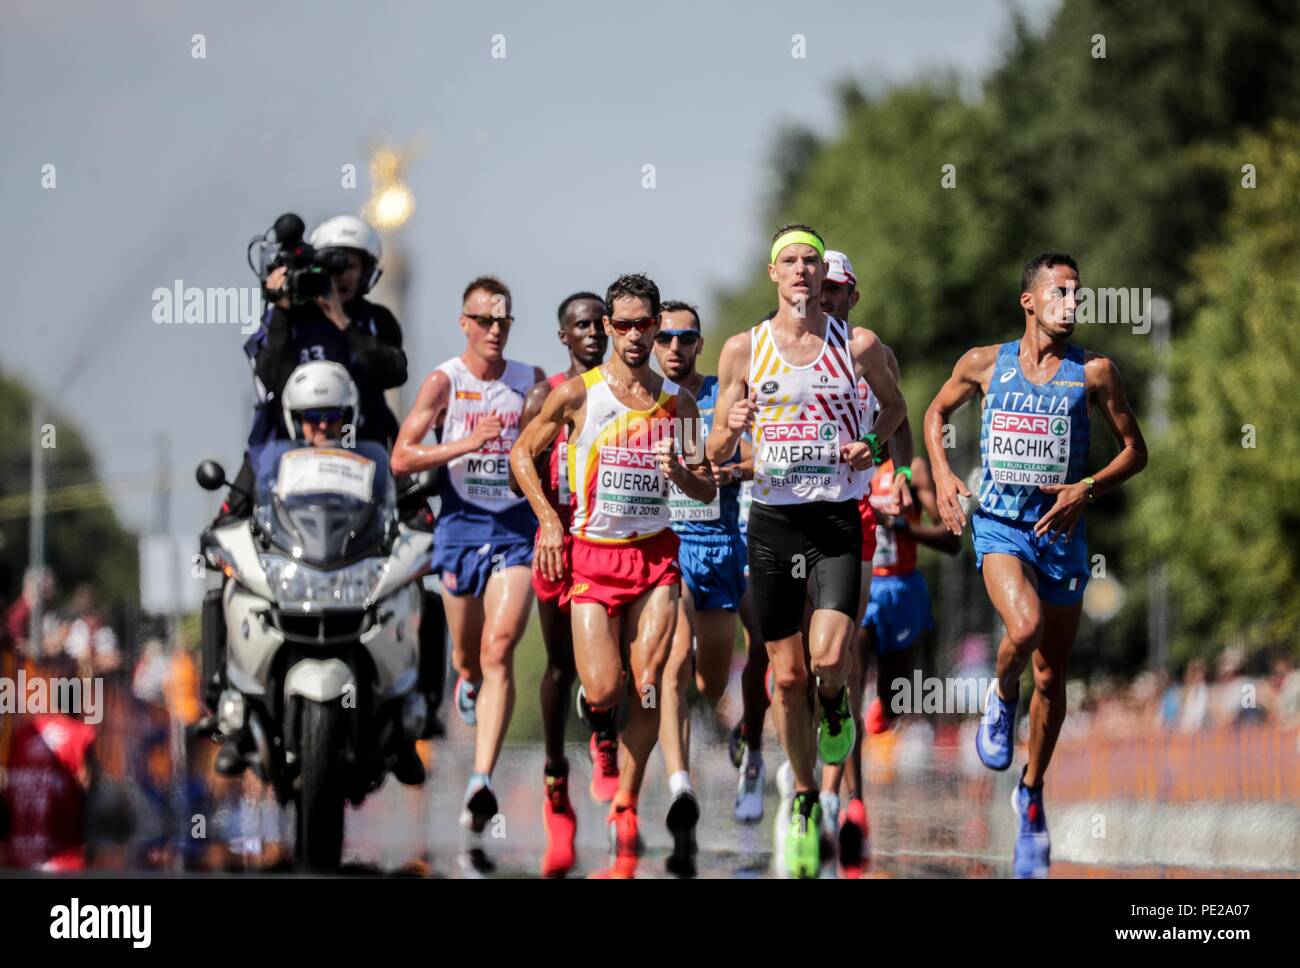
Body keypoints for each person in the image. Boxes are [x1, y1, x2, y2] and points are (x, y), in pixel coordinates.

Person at [923, 252, 1147, 877]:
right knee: (1021, 631)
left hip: (1062, 538)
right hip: (999, 527)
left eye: (1078, 293)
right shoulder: (983, 364)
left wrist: (1088, 488)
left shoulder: (1095, 373)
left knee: (1052, 676)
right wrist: (942, 475)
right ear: (1029, 301)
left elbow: (1136, 451)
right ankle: (999, 699)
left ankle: (1031, 793)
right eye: (1059, 291)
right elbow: (935, 412)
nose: (1071, 302)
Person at [708, 225, 906, 877]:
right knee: (784, 676)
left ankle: (836, 701)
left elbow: (895, 410)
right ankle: (799, 796)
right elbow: (714, 455)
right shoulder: (743, 349)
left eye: (810, 262)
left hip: (834, 523)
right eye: (789, 261)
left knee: (828, 660)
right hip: (772, 524)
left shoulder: (860, 346)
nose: (800, 271)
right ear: (774, 274)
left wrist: (872, 450)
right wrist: (730, 433)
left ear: (824, 276)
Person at [511, 273, 717, 868]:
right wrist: (550, 521)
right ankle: (598, 720)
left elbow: (704, 489)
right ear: (607, 327)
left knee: (648, 681)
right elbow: (524, 453)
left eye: (643, 325)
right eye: (620, 325)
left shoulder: (676, 403)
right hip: (592, 557)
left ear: (657, 328)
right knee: (603, 687)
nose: (632, 336)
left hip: (654, 556)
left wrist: (679, 474)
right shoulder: (580, 394)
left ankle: (625, 801)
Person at [391, 277, 544, 834]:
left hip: (514, 530)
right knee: (469, 655)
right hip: (458, 527)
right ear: (465, 323)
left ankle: (481, 780)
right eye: (484, 321)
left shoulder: (530, 382)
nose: (494, 331)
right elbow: (401, 458)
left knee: (500, 647)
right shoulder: (444, 382)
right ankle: (465, 677)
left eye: (503, 321)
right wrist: (464, 444)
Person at [811, 248, 916, 870]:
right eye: (817, 287)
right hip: (789, 514)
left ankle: (842, 797)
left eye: (836, 290)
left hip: (854, 513)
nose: (825, 297)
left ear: (852, 296)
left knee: (842, 660)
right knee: (797, 666)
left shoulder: (870, 353)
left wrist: (898, 469)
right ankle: (807, 784)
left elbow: (897, 417)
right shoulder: (782, 347)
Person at [652, 299, 752, 876]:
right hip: (665, 547)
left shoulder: (726, 394)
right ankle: (680, 788)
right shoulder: (644, 398)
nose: (673, 346)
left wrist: (730, 466)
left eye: (684, 337)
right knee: (669, 664)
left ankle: (732, 720)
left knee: (710, 677)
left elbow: (768, 459)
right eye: (664, 336)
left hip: (719, 546)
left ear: (700, 343)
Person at [511, 290, 609, 877]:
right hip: (560, 545)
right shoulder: (545, 396)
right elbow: (519, 463)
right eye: (581, 326)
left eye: (600, 323)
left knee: (619, 666)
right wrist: (548, 521)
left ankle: (603, 733)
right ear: (563, 336)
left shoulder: (625, 389)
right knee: (558, 666)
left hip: (613, 542)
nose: (594, 332)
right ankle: (555, 779)